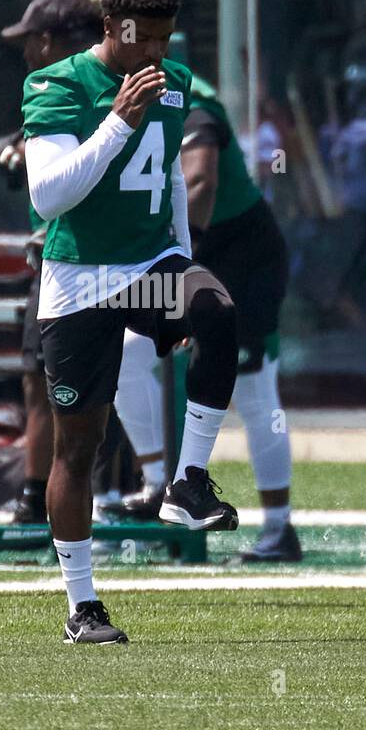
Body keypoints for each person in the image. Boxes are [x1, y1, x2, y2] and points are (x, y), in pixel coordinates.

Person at [22, 0, 239, 643]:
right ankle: (82, 605)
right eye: (145, 38)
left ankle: (189, 482)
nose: (157, 54)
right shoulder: (56, 85)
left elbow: (173, 178)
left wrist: (183, 257)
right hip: (80, 279)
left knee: (216, 310)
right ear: (114, 28)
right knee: (77, 452)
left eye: (167, 39)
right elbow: (48, 197)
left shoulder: (174, 85)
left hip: (150, 265)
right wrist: (117, 121)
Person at [113, 70, 299, 561]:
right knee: (123, 357)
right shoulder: (104, 89)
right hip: (186, 253)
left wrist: (169, 254)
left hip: (239, 255)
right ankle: (159, 483)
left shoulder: (189, 99)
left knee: (256, 390)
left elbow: (200, 179)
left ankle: (280, 530)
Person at [0, 0, 105, 525]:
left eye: (35, 40)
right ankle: (39, 492)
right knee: (41, 378)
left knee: (96, 385)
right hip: (67, 259)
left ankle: (139, 485)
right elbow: (20, 160)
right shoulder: (51, 95)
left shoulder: (103, 93)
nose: (29, 53)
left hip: (102, 259)